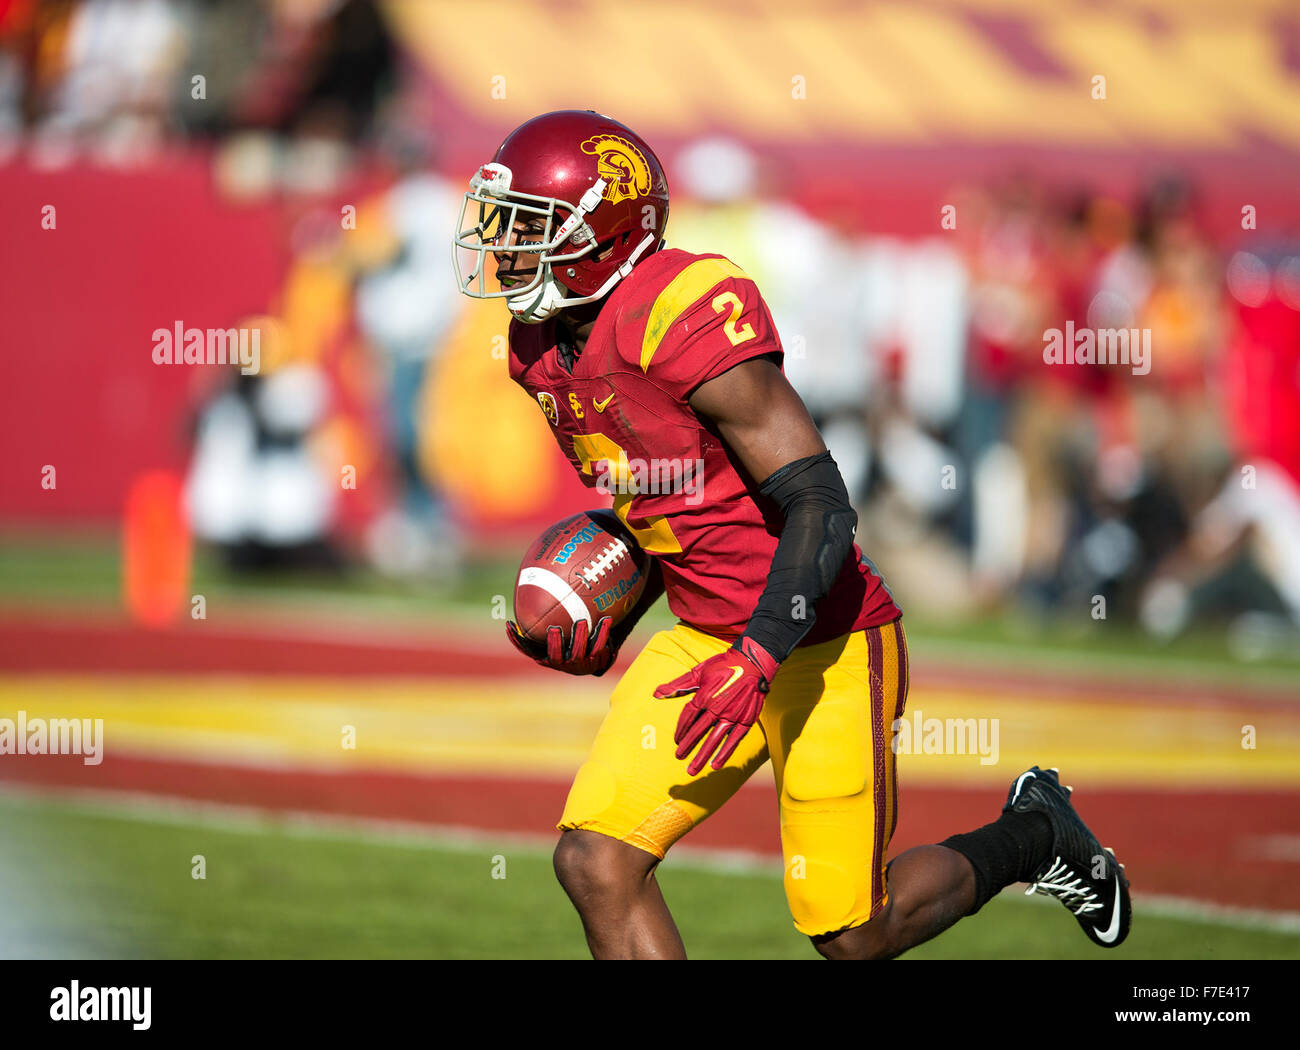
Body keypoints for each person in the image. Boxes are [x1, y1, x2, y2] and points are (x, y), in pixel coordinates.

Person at [452, 110, 1130, 959]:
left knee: (853, 934)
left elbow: (823, 502)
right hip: (704, 638)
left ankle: (1038, 834)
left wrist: (761, 654)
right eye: (503, 223)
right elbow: (670, 493)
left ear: (606, 233)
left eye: (531, 228)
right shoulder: (537, 349)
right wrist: (614, 594)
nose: (506, 249)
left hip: (823, 640)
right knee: (595, 860)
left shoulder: (678, 309)